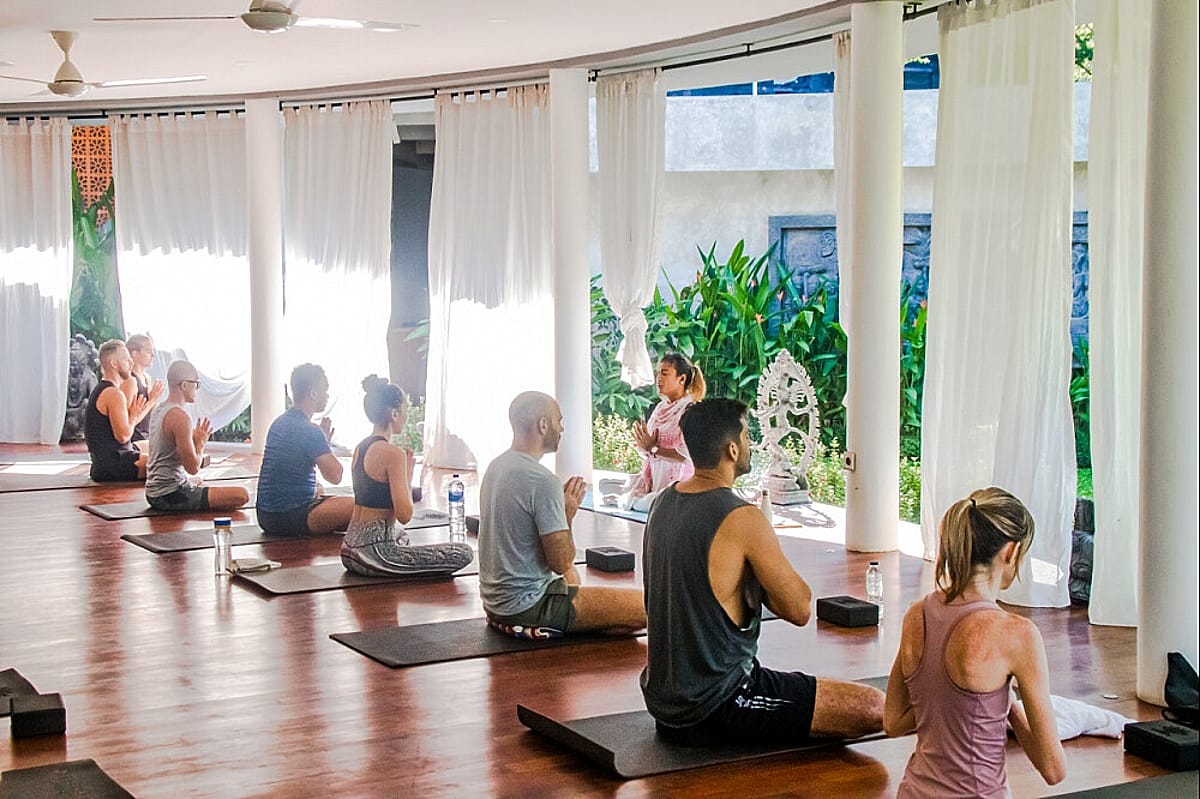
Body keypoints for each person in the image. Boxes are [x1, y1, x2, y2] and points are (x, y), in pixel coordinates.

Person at [640, 397, 883, 745]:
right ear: (732, 449)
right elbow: (799, 609)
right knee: (874, 707)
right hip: (720, 703)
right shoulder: (741, 517)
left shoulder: (662, 503)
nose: (751, 444)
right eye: (747, 437)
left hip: (663, 703)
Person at [884, 487, 1066, 796]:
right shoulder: (1016, 634)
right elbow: (1053, 770)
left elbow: (893, 722)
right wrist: (1005, 703)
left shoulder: (917, 615)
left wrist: (969, 702)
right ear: (1011, 552)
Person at [478, 391, 646, 637]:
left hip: (495, 605)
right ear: (543, 425)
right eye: (559, 421)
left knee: (611, 614)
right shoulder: (543, 481)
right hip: (529, 606)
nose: (562, 429)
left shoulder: (496, 466)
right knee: (648, 607)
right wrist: (567, 514)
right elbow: (561, 562)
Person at [341, 375, 473, 576]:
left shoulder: (360, 448)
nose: (406, 417)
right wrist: (407, 476)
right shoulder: (393, 454)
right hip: (375, 553)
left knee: (401, 536)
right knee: (462, 553)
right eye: (405, 411)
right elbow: (404, 515)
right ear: (394, 414)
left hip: (348, 548)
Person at [256, 364, 355, 536]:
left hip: (265, 516)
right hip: (292, 517)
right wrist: (324, 444)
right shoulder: (309, 430)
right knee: (361, 506)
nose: (327, 395)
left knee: (319, 489)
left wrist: (321, 445)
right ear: (313, 393)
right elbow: (335, 476)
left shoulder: (279, 423)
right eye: (325, 390)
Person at [144, 360, 249, 512]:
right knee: (242, 495)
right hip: (170, 494)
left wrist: (195, 439)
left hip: (153, 492)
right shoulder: (180, 417)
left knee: (200, 482)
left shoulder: (160, 408)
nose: (197, 388)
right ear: (184, 385)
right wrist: (200, 444)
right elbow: (192, 468)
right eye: (196, 383)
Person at [627, 353, 706, 500]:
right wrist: (645, 445)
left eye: (664, 373)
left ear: (682, 379)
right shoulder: (660, 408)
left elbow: (687, 455)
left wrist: (653, 448)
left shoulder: (690, 410)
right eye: (658, 373)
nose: (659, 378)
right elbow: (648, 446)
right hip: (655, 481)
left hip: (680, 489)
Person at [84, 340, 152, 482]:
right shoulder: (113, 394)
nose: (131, 363)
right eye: (126, 360)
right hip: (113, 464)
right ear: (114, 364)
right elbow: (123, 436)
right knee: (165, 463)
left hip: (111, 457)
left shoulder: (104, 389)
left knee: (160, 447)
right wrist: (134, 416)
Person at [120, 333, 164, 443]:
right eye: (148, 351)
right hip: (133, 441)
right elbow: (126, 422)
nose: (152, 355)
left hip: (146, 436)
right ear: (134, 353)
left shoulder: (147, 378)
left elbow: (150, 414)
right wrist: (151, 401)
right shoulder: (129, 381)